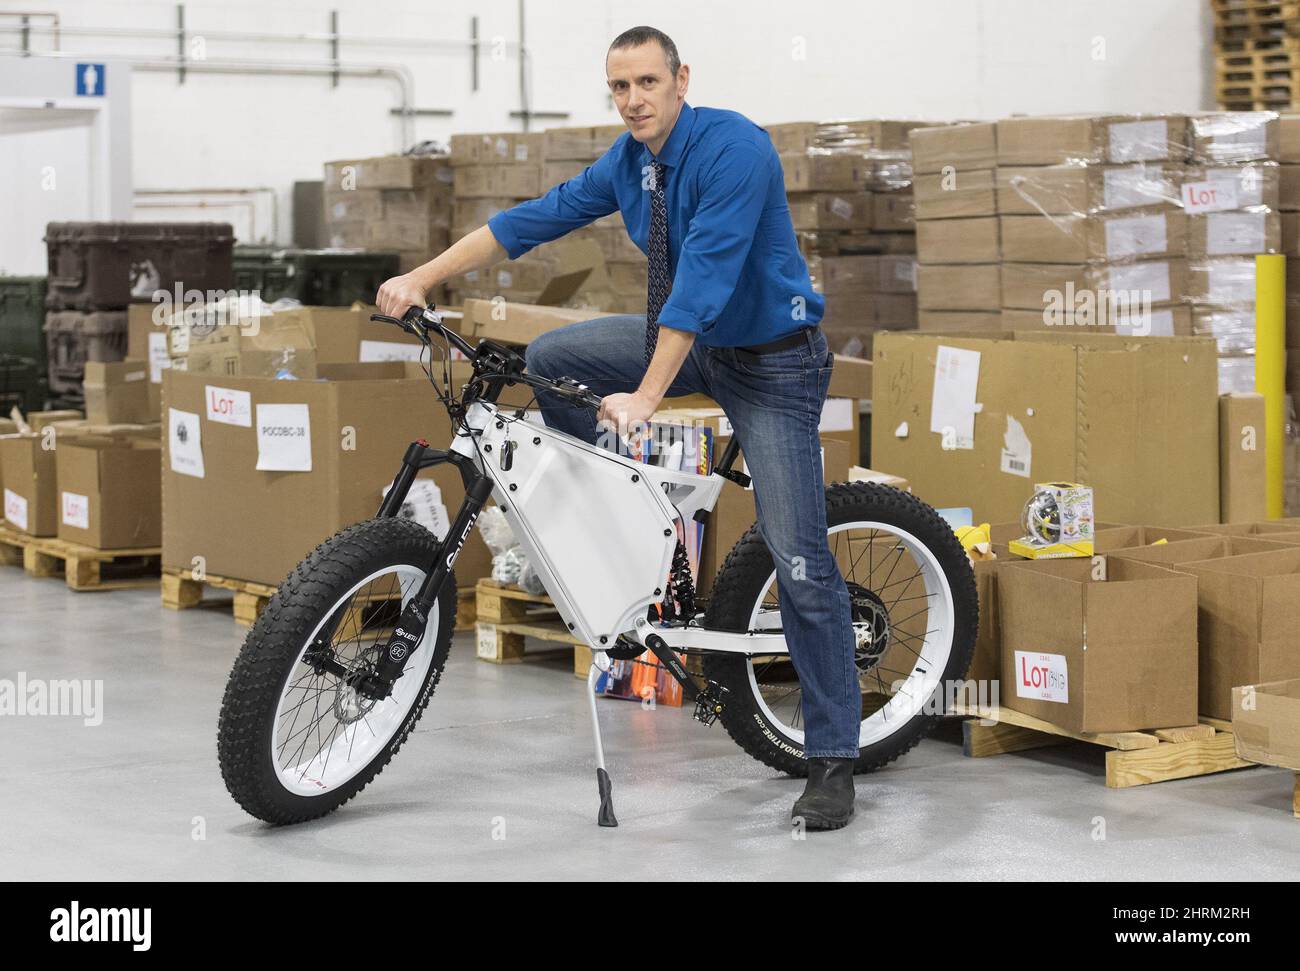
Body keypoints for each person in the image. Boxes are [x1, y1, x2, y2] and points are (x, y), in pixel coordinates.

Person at [377, 25, 859, 831]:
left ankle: (834, 755)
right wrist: (422, 276)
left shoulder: (735, 150)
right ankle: (617, 518)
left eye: (646, 82)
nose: (633, 100)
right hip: (698, 342)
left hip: (774, 362)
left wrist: (645, 394)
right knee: (556, 354)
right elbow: (534, 220)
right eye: (620, 87)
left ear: (680, 80)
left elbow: (702, 278)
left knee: (800, 556)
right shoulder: (631, 161)